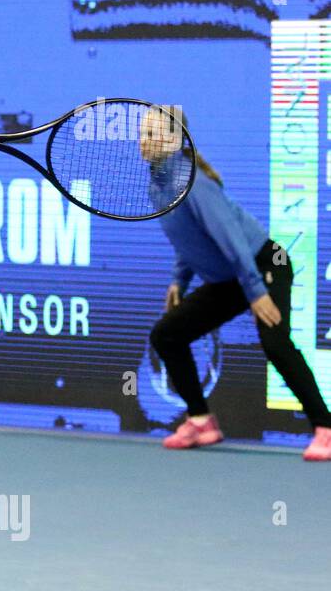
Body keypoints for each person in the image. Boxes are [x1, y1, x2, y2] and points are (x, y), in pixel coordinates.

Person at [141, 107, 331, 461]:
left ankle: (326, 428)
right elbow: (190, 239)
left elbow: (231, 240)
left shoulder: (192, 183)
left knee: (274, 341)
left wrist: (256, 290)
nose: (144, 141)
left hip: (262, 263)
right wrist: (178, 281)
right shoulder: (157, 184)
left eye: (154, 134)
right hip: (228, 278)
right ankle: (201, 421)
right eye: (142, 133)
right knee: (167, 335)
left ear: (176, 140)